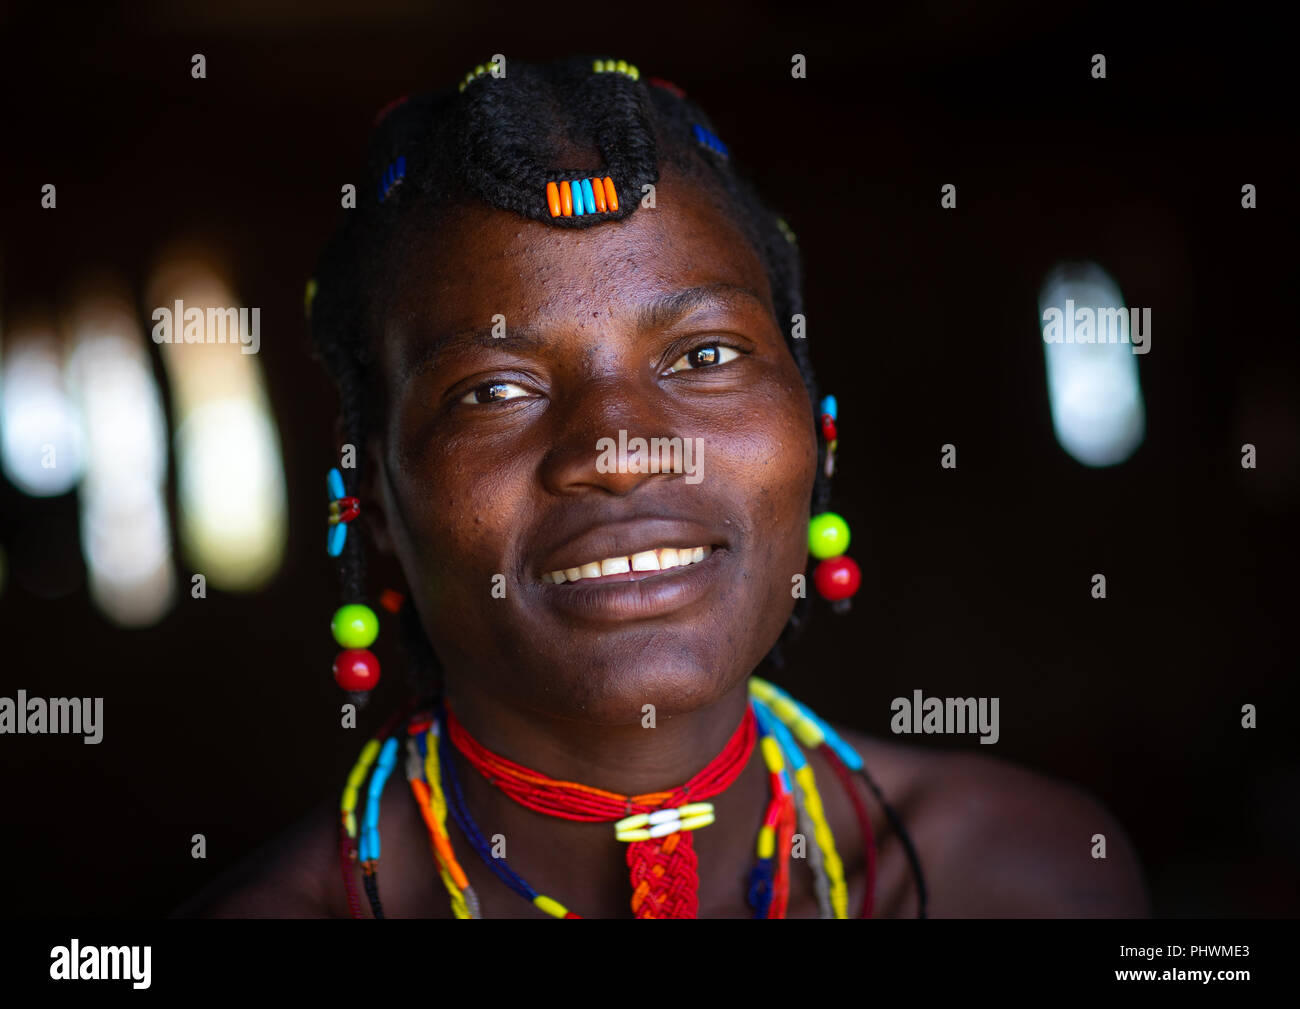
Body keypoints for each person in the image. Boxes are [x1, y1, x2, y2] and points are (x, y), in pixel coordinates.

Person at [176, 55, 1147, 919]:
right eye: (493, 389)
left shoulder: (1028, 873)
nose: (620, 449)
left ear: (817, 428)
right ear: (373, 500)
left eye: (705, 353)